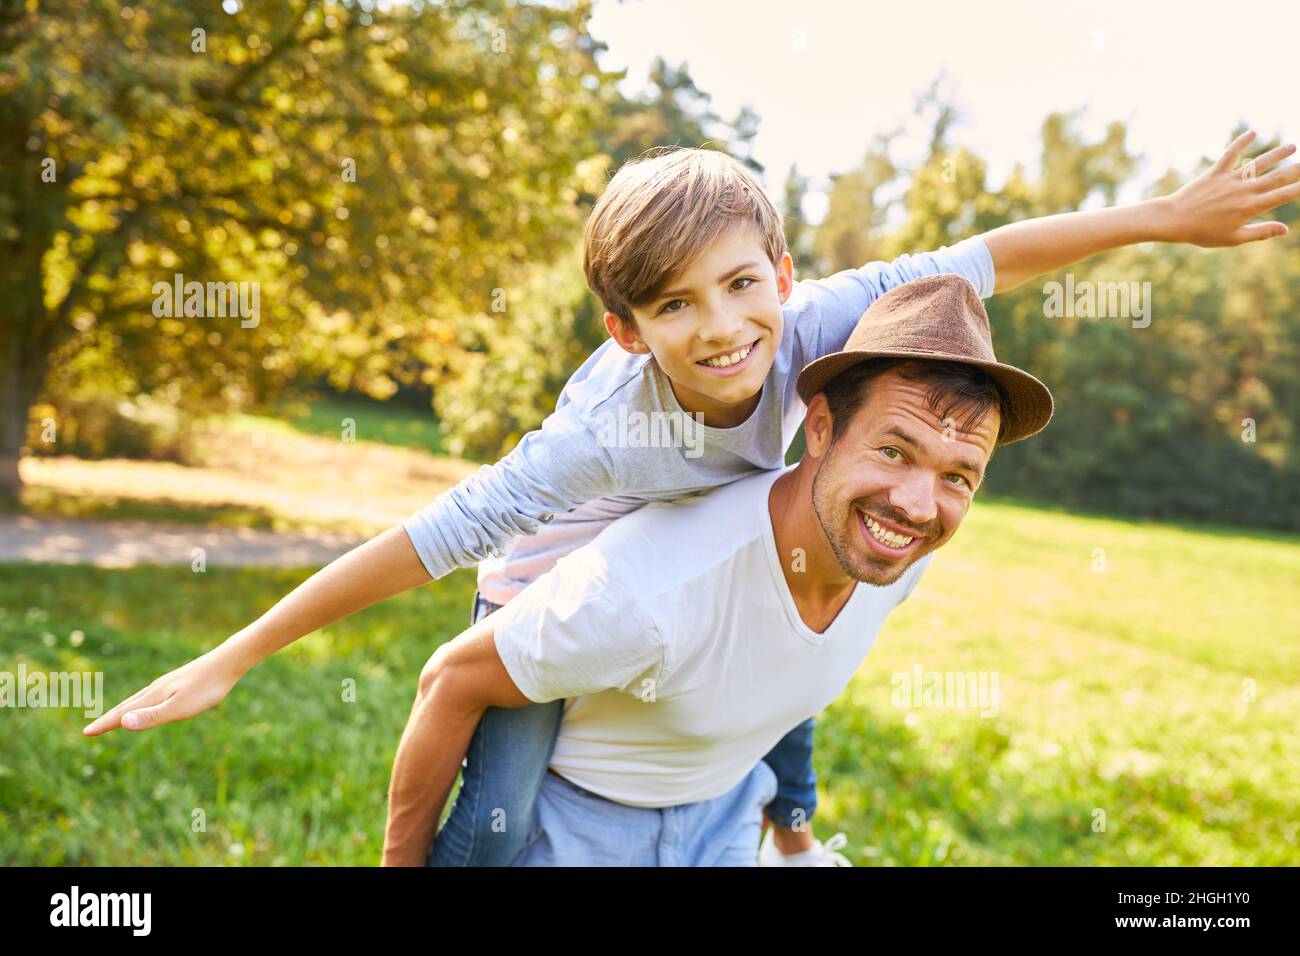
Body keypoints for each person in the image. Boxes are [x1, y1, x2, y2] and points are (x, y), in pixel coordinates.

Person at [84, 133, 1299, 867]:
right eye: (673, 306)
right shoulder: (601, 434)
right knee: (504, 818)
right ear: (625, 325)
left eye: (737, 285)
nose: (721, 330)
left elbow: (993, 253)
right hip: (563, 569)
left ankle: (787, 824)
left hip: (742, 541)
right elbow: (430, 538)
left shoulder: (822, 317)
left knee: (785, 650)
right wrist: (232, 656)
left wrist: (1165, 221)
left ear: (781, 270)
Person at [383, 274, 1049, 866]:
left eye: (958, 476)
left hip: (727, 813)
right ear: (819, 429)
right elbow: (451, 681)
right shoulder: (652, 589)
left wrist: (794, 846)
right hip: (581, 831)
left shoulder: (894, 555)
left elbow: (780, 681)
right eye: (895, 451)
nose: (917, 505)